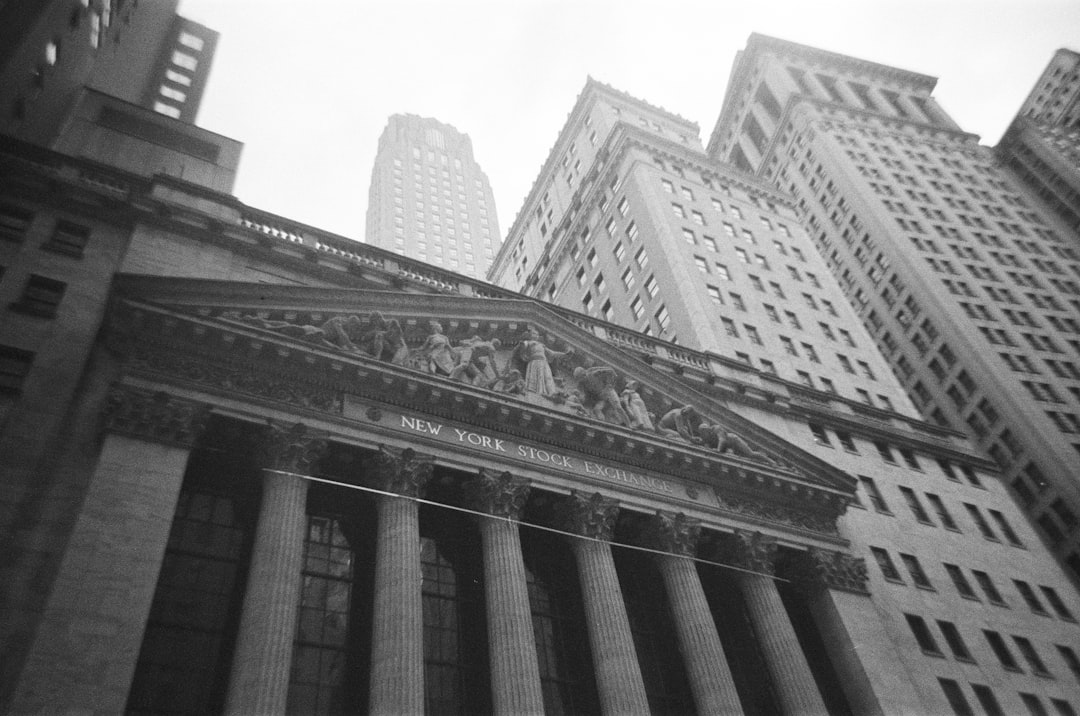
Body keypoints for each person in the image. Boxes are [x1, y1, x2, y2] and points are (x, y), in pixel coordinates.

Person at [514, 326, 572, 398]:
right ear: (530, 335)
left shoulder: (541, 345)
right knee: (535, 376)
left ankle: (551, 392)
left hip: (544, 362)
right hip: (534, 361)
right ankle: (534, 391)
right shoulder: (528, 342)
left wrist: (564, 355)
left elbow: (552, 353)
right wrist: (522, 344)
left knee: (548, 377)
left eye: (537, 334)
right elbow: (523, 346)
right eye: (534, 334)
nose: (536, 335)